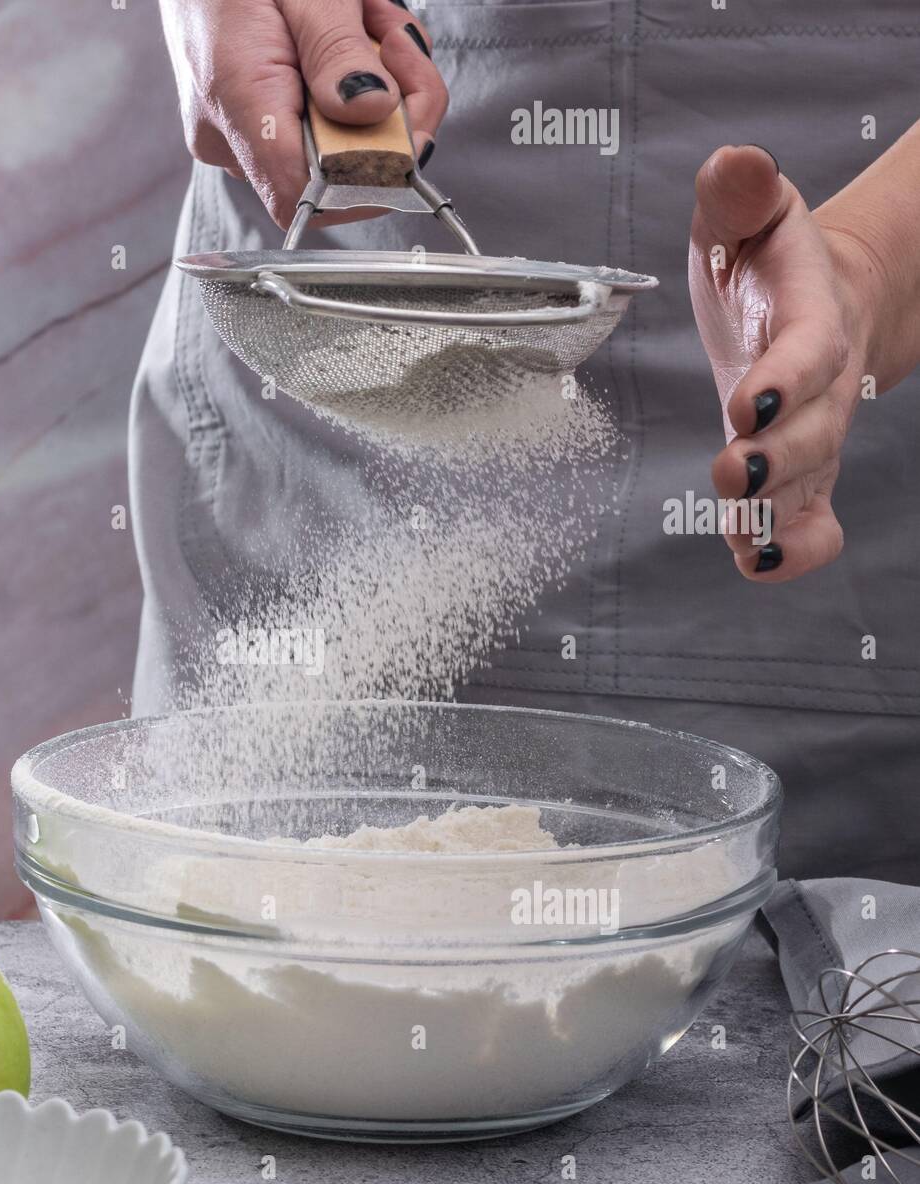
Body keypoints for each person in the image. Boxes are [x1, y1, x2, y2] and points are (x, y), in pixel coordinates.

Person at [131, 0, 920, 882]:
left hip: (870, 280)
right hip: (331, 350)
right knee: (237, 911)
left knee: (854, 986)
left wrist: (875, 263)